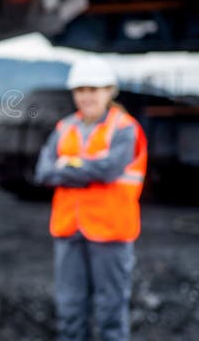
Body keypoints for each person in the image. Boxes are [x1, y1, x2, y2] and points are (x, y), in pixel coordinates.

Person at [34, 56, 147, 341]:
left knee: (111, 312)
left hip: (110, 231)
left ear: (109, 91)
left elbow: (109, 170)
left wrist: (68, 166)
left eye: (93, 89)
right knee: (70, 310)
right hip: (69, 229)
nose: (87, 96)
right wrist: (86, 170)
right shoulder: (64, 127)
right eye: (81, 90)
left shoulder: (125, 128)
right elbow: (44, 172)